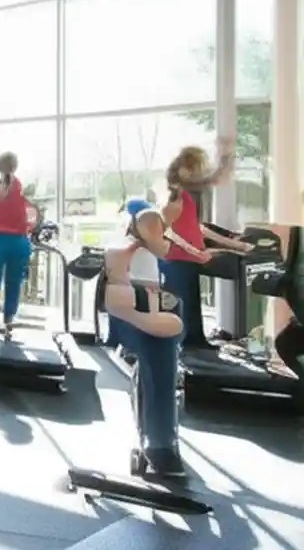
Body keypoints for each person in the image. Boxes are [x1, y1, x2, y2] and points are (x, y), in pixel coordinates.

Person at [100, 199, 187, 476]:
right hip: (130, 314)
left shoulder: (168, 251)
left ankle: (160, 439)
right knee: (157, 345)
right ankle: (159, 443)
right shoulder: (125, 250)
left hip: (160, 312)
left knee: (163, 342)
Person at [159, 140, 254, 349]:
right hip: (177, 257)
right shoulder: (182, 197)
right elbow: (175, 230)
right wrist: (226, 155)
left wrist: (233, 244)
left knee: (188, 304)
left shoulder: (186, 193)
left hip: (180, 257)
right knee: (186, 306)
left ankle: (194, 343)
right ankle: (191, 346)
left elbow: (198, 227)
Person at [0, 152, 35, 338]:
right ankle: (8, 320)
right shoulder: (25, 189)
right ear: (15, 166)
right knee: (14, 281)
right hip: (18, 241)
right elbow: (32, 215)